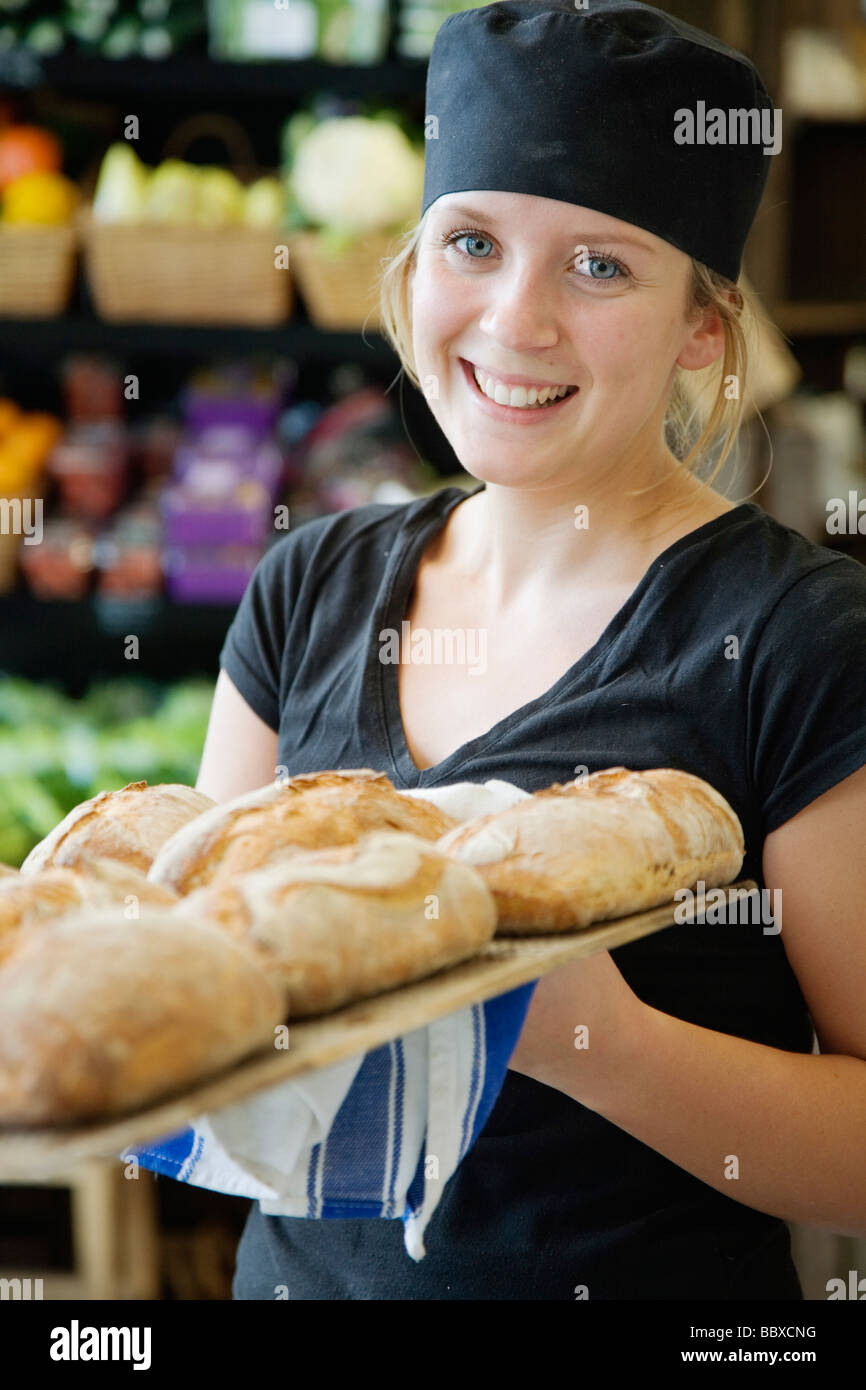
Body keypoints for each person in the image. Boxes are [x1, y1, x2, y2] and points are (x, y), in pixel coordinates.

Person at [195, 0, 866, 1299]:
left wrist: (585, 1039)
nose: (515, 319)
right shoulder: (307, 587)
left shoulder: (797, 639)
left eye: (599, 265)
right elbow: (227, 1009)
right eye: (472, 241)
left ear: (700, 333)